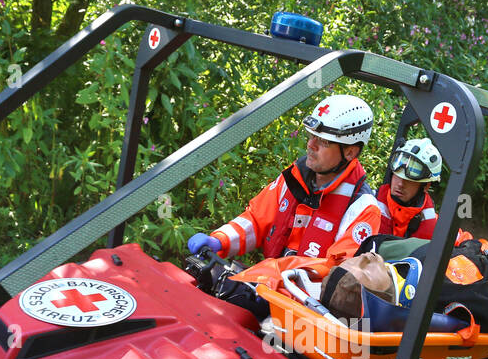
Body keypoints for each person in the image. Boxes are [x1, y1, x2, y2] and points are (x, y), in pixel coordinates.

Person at [187, 94, 382, 259]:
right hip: (266, 290)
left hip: (303, 303)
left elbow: (338, 273)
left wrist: (276, 278)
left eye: (323, 141)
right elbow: (255, 221)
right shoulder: (294, 178)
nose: (311, 145)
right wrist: (220, 240)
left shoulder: (363, 209)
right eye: (311, 136)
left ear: (350, 152)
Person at [375, 137, 442, 239]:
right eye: (398, 176)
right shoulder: (368, 202)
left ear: (426, 186)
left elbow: (457, 236)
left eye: (409, 181)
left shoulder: (431, 219)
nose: (400, 184)